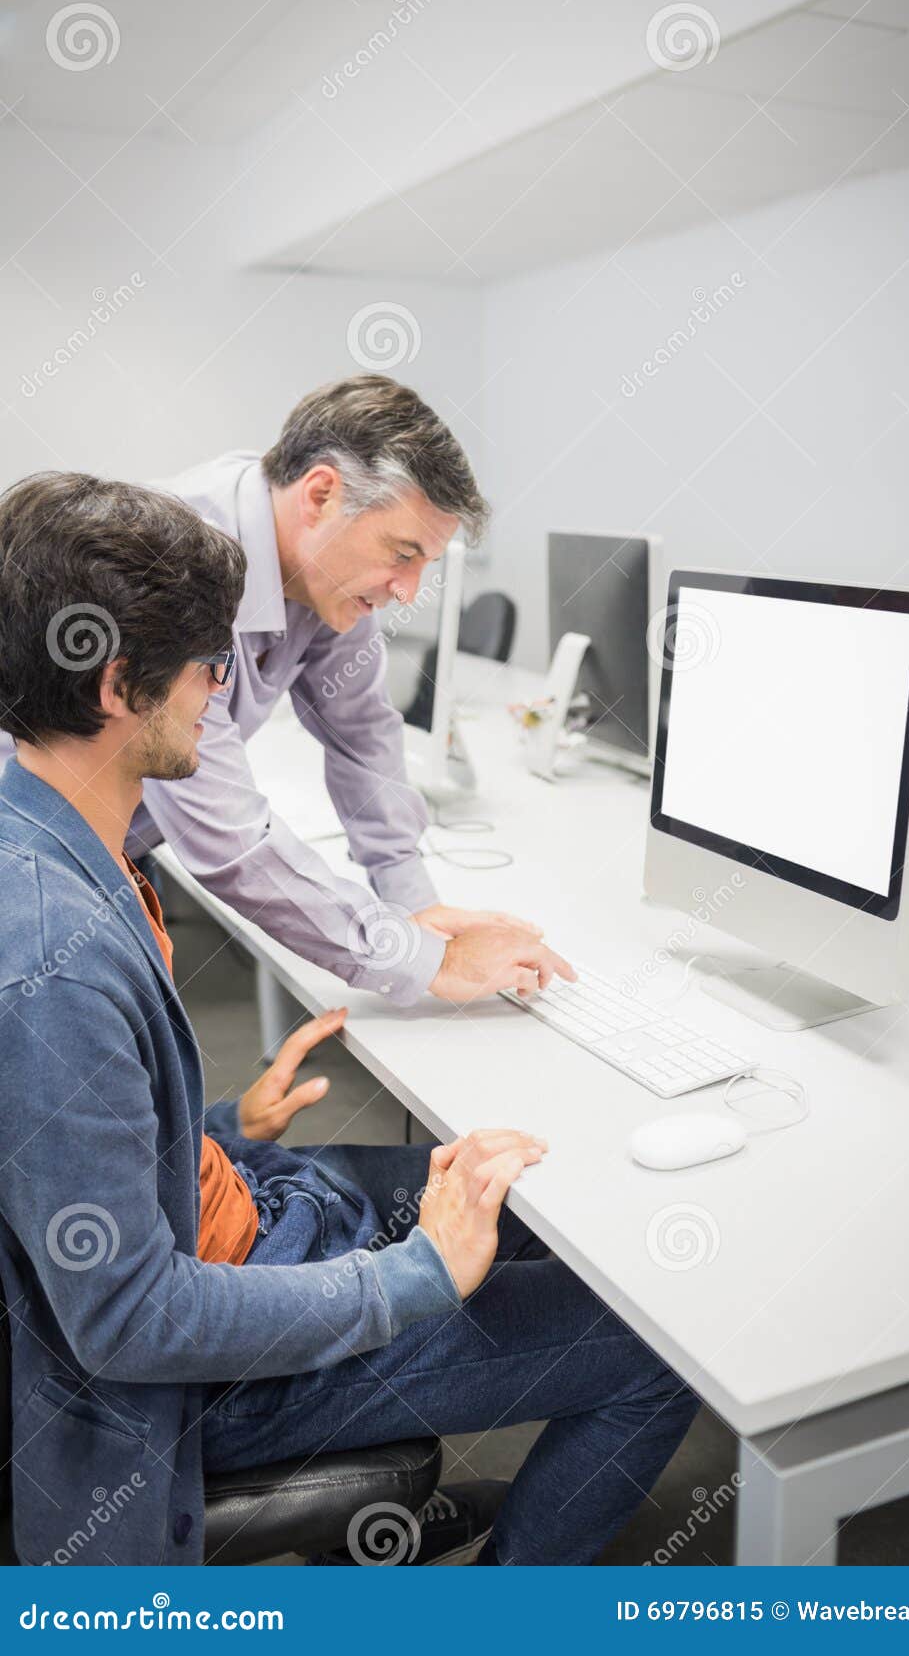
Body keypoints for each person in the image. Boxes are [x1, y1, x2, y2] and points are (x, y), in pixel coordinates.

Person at [0, 472, 700, 1568]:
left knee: (553, 1212)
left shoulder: (69, 837)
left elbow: (58, 1159)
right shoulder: (51, 960)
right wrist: (412, 1276)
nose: (221, 696)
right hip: (194, 1372)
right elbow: (128, 1321)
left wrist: (219, 1121)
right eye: (207, 669)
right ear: (116, 687)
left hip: (240, 1209)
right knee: (661, 1345)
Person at [0, 374, 548, 1011]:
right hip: (30, 855)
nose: (409, 590)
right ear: (321, 494)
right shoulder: (185, 562)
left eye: (427, 563)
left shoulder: (328, 570)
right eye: (403, 553)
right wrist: (424, 960)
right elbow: (227, 836)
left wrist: (414, 904)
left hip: (110, 847)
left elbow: (361, 730)